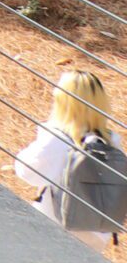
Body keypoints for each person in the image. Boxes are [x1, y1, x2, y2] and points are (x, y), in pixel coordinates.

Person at [14, 69, 124, 240]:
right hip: (98, 235)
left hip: (55, 230)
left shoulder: (56, 139)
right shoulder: (111, 141)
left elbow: (26, 172)